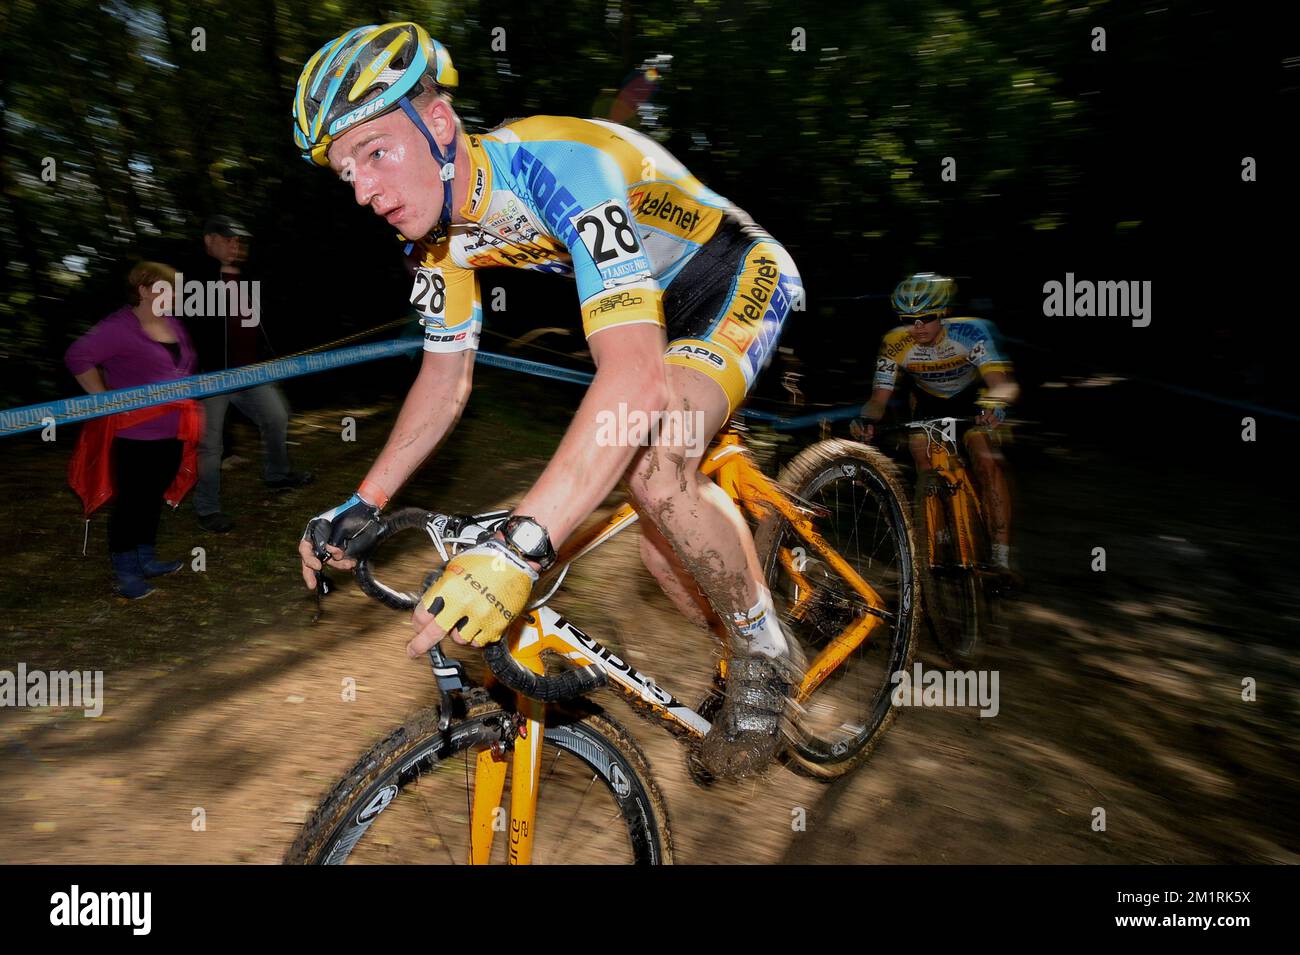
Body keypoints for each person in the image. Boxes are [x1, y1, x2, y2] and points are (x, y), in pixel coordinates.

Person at [292, 21, 805, 778]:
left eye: (374, 152)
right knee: (668, 554)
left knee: (656, 467)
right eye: (346, 173)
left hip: (728, 276)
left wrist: (518, 549)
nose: (364, 190)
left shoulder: (556, 163)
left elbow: (632, 378)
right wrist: (364, 498)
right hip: (648, 306)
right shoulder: (439, 241)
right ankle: (744, 619)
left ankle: (768, 648)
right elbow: (444, 376)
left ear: (438, 124)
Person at [852, 273, 1020, 573]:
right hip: (927, 403)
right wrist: (866, 418)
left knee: (985, 458)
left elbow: (1003, 385)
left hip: (970, 400)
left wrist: (995, 405)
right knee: (922, 454)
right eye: (908, 319)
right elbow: (878, 400)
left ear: (942, 313)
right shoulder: (894, 343)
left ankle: (1001, 553)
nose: (917, 327)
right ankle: (939, 539)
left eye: (925, 318)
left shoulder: (970, 333)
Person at [65, 262, 198, 599]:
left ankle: (146, 559)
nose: (173, 296)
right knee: (132, 502)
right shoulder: (120, 327)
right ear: (143, 290)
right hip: (134, 434)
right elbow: (77, 355)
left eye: (175, 290)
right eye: (165, 289)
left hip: (172, 428)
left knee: (152, 497)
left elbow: (181, 368)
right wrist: (104, 399)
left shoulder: (172, 324)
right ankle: (126, 572)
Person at [186, 214, 313, 534]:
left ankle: (277, 474)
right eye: (228, 238)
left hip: (251, 372)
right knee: (210, 444)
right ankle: (208, 508)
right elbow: (184, 331)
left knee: (276, 416)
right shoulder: (192, 279)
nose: (236, 244)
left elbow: (262, 324)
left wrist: (271, 356)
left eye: (239, 239)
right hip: (212, 377)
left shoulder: (250, 276)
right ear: (209, 240)